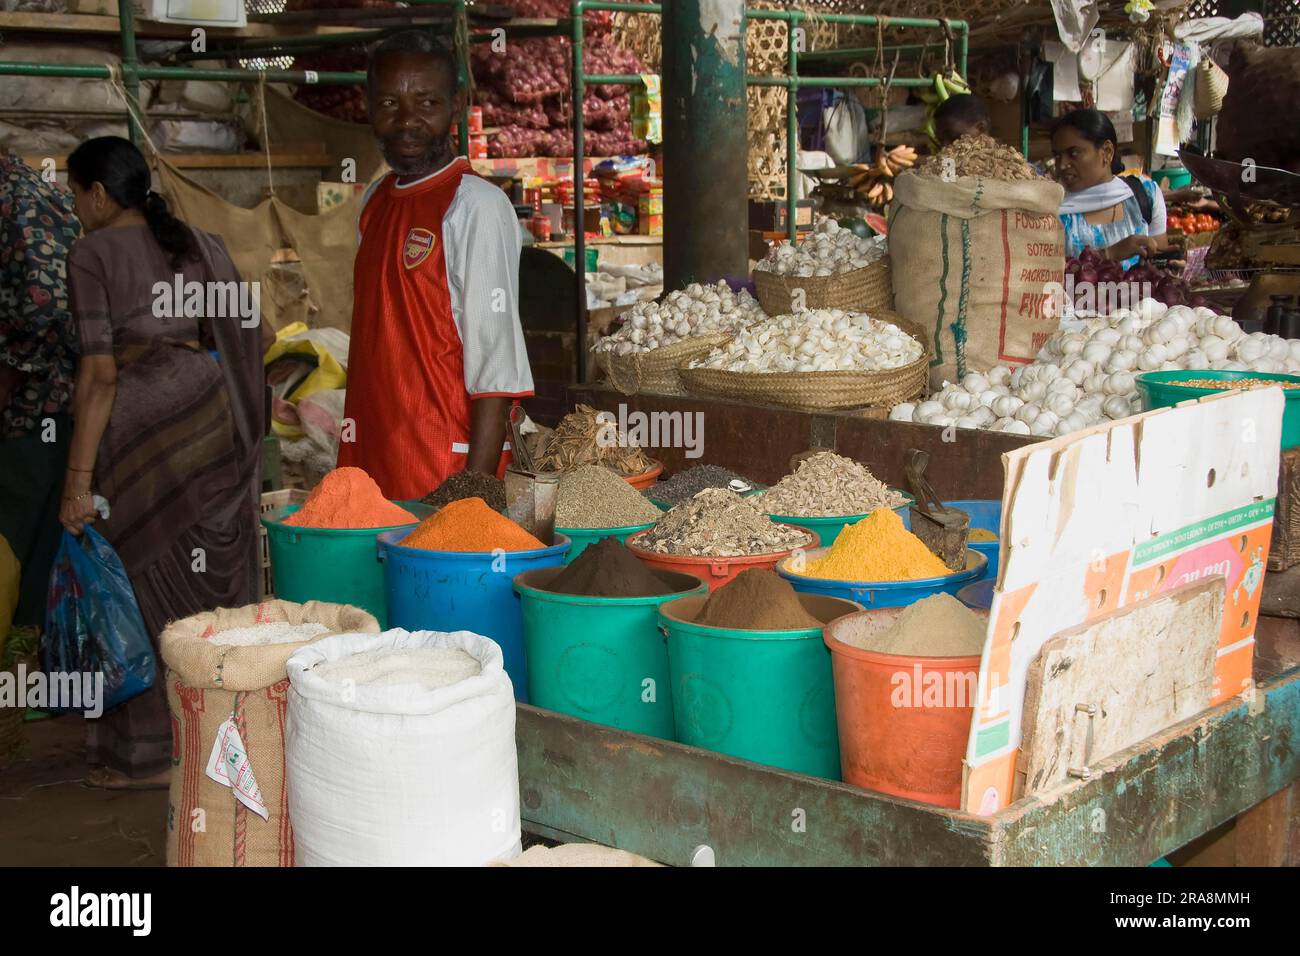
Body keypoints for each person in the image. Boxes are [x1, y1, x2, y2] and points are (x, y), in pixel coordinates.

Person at [59, 136, 267, 789]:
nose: (75, 208)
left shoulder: (90, 253)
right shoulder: (194, 243)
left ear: (95, 194)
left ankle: (151, 754)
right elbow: (246, 331)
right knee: (209, 584)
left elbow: (97, 375)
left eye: (75, 195)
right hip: (207, 419)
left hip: (138, 433)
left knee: (142, 583)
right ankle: (227, 735)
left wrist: (77, 482)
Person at [339, 31, 534, 499]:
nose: (407, 121)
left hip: (443, 469)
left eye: (426, 102)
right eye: (389, 103)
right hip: (370, 463)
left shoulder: (477, 206)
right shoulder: (375, 201)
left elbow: (497, 368)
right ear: (367, 107)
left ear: (457, 104)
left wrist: (475, 494)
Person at [0, 150, 81, 628]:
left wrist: (8, 376)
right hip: (37, 403)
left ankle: (23, 657)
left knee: (19, 537)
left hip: (33, 407)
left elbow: (44, 302)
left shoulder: (21, 199)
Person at [1051, 109, 1167, 267]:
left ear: (1107, 152)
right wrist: (1109, 254)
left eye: (1074, 153)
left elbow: (1159, 268)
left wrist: (1168, 262)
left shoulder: (1145, 195)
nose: (1062, 165)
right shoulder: (1050, 213)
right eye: (1058, 156)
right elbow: (1041, 278)